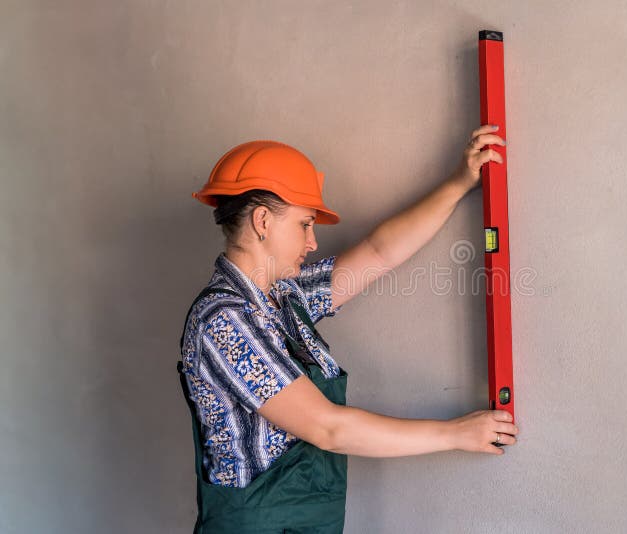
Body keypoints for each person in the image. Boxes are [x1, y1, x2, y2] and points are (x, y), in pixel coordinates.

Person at [178, 124, 518, 533]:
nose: (313, 242)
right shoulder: (225, 321)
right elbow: (328, 427)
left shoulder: (284, 297)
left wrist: (460, 182)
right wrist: (454, 434)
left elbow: (379, 252)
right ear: (263, 221)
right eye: (305, 224)